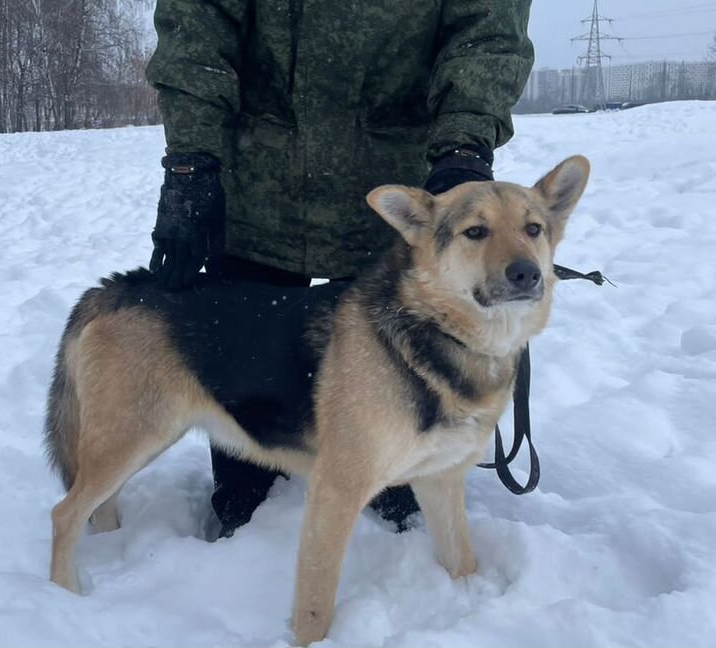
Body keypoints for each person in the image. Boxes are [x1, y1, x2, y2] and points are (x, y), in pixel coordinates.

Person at [145, 0, 534, 538]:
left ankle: (398, 499)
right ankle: (246, 505)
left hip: (394, 193)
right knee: (244, 356)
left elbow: (487, 31)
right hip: (258, 182)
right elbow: (199, 23)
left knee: (393, 374)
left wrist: (464, 145)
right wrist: (191, 160)